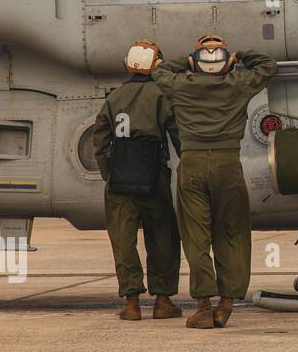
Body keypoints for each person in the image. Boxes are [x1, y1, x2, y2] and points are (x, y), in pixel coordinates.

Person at [153, 35, 277, 330]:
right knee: (232, 234)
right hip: (228, 165)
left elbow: (157, 70)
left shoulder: (181, 84)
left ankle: (203, 307)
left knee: (196, 238)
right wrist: (240, 55)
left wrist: (186, 61)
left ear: (195, 62)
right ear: (226, 63)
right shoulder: (238, 84)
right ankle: (226, 304)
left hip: (192, 163)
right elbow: (268, 65)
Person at [90, 40, 184, 321]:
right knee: (162, 236)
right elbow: (177, 134)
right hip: (153, 176)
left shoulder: (113, 97)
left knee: (123, 240)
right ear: (156, 64)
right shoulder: (161, 95)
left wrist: (111, 175)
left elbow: (99, 143)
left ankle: (131, 302)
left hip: (120, 178)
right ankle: (163, 300)